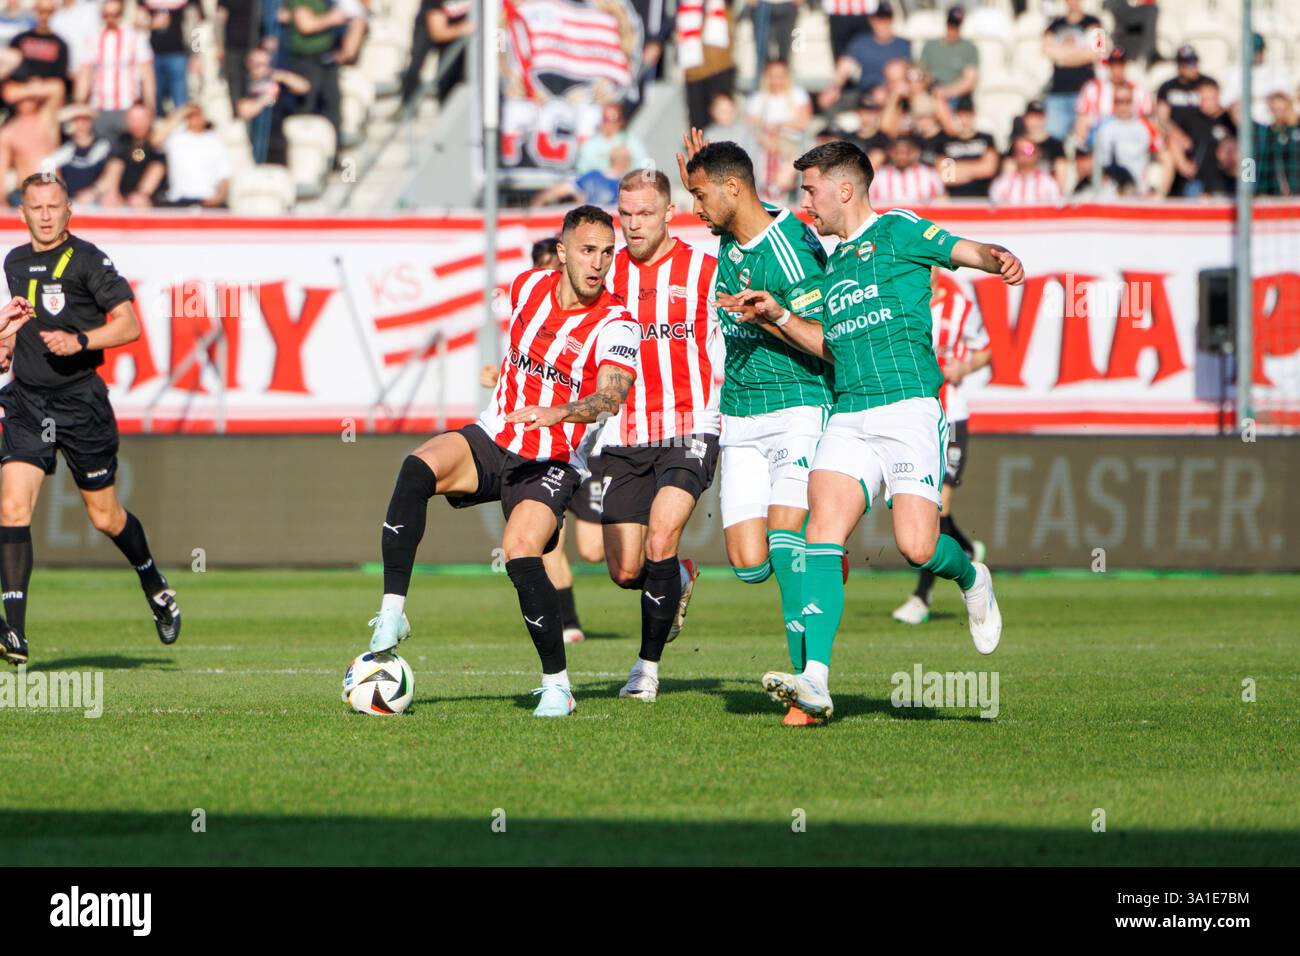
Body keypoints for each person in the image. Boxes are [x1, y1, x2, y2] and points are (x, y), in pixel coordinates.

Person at [716, 140, 1019, 723]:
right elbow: (829, 345)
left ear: (844, 189)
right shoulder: (830, 269)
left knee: (917, 547)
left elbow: (960, 249)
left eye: (811, 190)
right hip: (850, 414)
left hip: (908, 410)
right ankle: (817, 681)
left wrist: (997, 258)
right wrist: (778, 316)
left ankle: (972, 575)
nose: (806, 204)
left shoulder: (898, 231)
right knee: (821, 535)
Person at [366, 205, 639, 718]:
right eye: (587, 251)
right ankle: (392, 613)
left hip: (553, 457)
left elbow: (611, 397)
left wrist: (556, 410)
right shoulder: (527, 288)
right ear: (561, 253)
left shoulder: (617, 322)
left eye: (607, 252)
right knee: (417, 466)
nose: (599, 263)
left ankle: (557, 685)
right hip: (498, 434)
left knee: (518, 551)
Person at [676, 134, 836, 724]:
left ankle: (810, 691)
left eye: (699, 196)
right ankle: (824, 567)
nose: (694, 209)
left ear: (733, 189)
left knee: (784, 544)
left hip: (798, 407)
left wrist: (766, 317)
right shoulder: (731, 233)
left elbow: (827, 341)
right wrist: (698, 169)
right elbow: (719, 203)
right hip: (741, 415)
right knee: (748, 564)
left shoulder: (793, 246)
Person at [0, 172, 181, 665]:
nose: (44, 215)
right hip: (28, 403)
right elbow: (25, 325)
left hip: (81, 405)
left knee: (104, 517)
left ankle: (154, 583)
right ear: (22, 212)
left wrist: (81, 340)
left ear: (68, 210)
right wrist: (8, 341)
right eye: (35, 207)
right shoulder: (14, 261)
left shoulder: (87, 260)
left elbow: (129, 324)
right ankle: (14, 633)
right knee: (13, 509)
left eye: (53, 206)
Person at [602, 168, 720, 701]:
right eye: (624, 215)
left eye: (644, 213)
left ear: (670, 213)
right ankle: (682, 578)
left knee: (659, 539)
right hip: (625, 434)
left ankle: (645, 670)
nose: (633, 224)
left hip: (689, 425)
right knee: (629, 571)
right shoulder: (606, 275)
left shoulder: (705, 269)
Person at [478, 236, 606, 645]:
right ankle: (568, 623)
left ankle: (666, 574)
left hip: (590, 446)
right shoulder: (532, 310)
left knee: (594, 551)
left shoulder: (597, 315)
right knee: (549, 542)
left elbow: (598, 386)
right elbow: (530, 375)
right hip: (548, 451)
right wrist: (500, 378)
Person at [893, 268, 989, 626]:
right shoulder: (900, 301)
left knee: (936, 508)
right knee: (929, 508)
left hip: (950, 418)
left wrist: (966, 366)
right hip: (915, 418)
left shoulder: (960, 306)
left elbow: (985, 350)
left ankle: (921, 597)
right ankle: (965, 547)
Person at [74, 0, 154, 143]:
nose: (110, 19)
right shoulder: (92, 38)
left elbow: (147, 75)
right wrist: (80, 105)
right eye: (106, 15)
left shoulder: (135, 37)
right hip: (99, 107)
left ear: (121, 14)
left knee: (130, 152)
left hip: (127, 106)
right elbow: (85, 74)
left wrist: (149, 107)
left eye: (114, 14)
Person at [819, 1, 910, 113]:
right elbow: (844, 67)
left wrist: (888, 90)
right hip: (866, 93)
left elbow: (906, 72)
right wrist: (834, 88)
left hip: (892, 93)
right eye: (879, 20)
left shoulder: (902, 44)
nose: (883, 24)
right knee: (827, 101)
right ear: (872, 21)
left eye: (886, 19)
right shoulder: (861, 43)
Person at [745, 59, 811, 201]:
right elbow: (751, 126)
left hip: (791, 144)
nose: (776, 80)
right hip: (765, 144)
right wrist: (767, 139)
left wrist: (779, 128)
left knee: (791, 158)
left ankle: (780, 187)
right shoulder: (758, 99)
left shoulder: (797, 95)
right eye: (772, 76)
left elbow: (804, 122)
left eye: (780, 76)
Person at [1092, 81, 1167, 196]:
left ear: (1133, 102)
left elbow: (1162, 156)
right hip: (1113, 191)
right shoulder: (1104, 129)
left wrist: (1155, 190)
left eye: (1127, 101)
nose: (1123, 106)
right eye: (1119, 102)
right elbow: (1100, 166)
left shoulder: (1145, 127)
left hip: (1141, 192)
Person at [1041, 0, 1102, 142]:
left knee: (1087, 141)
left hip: (1085, 93)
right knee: (1054, 140)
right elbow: (1047, 50)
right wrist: (1082, 54)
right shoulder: (1055, 24)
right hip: (1059, 92)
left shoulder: (1094, 21)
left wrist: (1063, 57)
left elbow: (1097, 52)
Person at [152, 102, 231, 207]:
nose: (195, 119)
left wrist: (219, 197)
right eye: (191, 116)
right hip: (179, 199)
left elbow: (225, 175)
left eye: (198, 115)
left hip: (206, 198)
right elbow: (155, 141)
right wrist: (180, 114)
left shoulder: (215, 141)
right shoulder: (175, 138)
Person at [0, 76, 64, 204]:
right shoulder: (8, 132)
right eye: (25, 99)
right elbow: (1, 171)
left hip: (53, 191)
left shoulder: (46, 120)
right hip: (25, 196)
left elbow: (57, 88)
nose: (30, 101)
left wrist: (19, 91)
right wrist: (2, 201)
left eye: (33, 97)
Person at [398, 0, 470, 111]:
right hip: (439, 35)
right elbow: (437, 32)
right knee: (417, 64)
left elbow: (499, 30)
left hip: (460, 46)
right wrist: (464, 28)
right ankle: (407, 107)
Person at [1074, 46, 1153, 147]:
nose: (1117, 70)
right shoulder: (1092, 89)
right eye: (1114, 65)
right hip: (1099, 140)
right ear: (1108, 66)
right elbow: (1082, 120)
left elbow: (1146, 121)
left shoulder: (1139, 91)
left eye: (1120, 65)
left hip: (1129, 140)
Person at [285, 0, 343, 136]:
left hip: (327, 60)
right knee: (307, 110)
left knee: (332, 110)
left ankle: (332, 152)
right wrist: (333, 18)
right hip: (306, 61)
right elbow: (306, 25)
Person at [95, 100, 166, 207]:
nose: (137, 123)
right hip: (121, 198)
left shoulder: (157, 143)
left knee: (156, 168)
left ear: (150, 119)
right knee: (114, 167)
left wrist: (141, 195)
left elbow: (157, 169)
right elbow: (112, 169)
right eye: (133, 119)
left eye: (141, 119)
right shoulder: (121, 141)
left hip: (149, 199)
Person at [142, 0, 199, 115]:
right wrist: (151, 24)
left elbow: (194, 27)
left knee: (180, 99)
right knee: (155, 97)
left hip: (178, 54)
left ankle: (181, 126)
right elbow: (136, 21)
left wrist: (196, 54)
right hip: (152, 55)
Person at [49, 103, 112, 203]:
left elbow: (111, 177)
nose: (81, 125)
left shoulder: (104, 147)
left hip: (98, 203)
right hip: (69, 205)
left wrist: (93, 192)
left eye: (85, 120)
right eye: (76, 121)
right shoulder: (64, 151)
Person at [919, 5, 977, 111]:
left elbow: (969, 81)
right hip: (932, 92)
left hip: (956, 97)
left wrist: (945, 92)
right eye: (951, 24)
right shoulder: (930, 46)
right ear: (946, 22)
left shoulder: (969, 48)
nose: (952, 29)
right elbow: (922, 72)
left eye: (956, 25)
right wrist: (933, 87)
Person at [575, 102, 649, 177]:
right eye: (605, 119)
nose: (609, 123)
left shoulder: (630, 140)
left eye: (614, 118)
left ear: (621, 121)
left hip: (625, 182)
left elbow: (644, 165)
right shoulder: (591, 143)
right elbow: (582, 168)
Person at [869, 135, 946, 206]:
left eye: (907, 152)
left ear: (916, 152)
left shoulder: (929, 175)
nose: (902, 156)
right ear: (890, 153)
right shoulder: (879, 176)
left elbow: (942, 200)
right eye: (898, 152)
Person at [10, 0, 70, 88]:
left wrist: (41, 83)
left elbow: (60, 76)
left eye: (48, 12)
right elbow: (12, 70)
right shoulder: (19, 39)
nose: (44, 16)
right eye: (40, 11)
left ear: (54, 13)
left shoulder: (61, 44)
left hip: (46, 90)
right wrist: (28, 80)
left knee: (57, 87)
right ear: (34, 11)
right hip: (22, 86)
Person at [989, 136, 1062, 205]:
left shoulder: (1049, 183)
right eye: (1018, 151)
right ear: (1014, 155)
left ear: (1037, 153)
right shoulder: (1002, 183)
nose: (1023, 154)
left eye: (1028, 150)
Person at [1254, 90, 1300, 197]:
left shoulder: (1295, 130)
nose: (1279, 113)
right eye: (1275, 109)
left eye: (1282, 109)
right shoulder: (1264, 133)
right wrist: (1252, 189)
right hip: (1271, 192)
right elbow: (1251, 160)